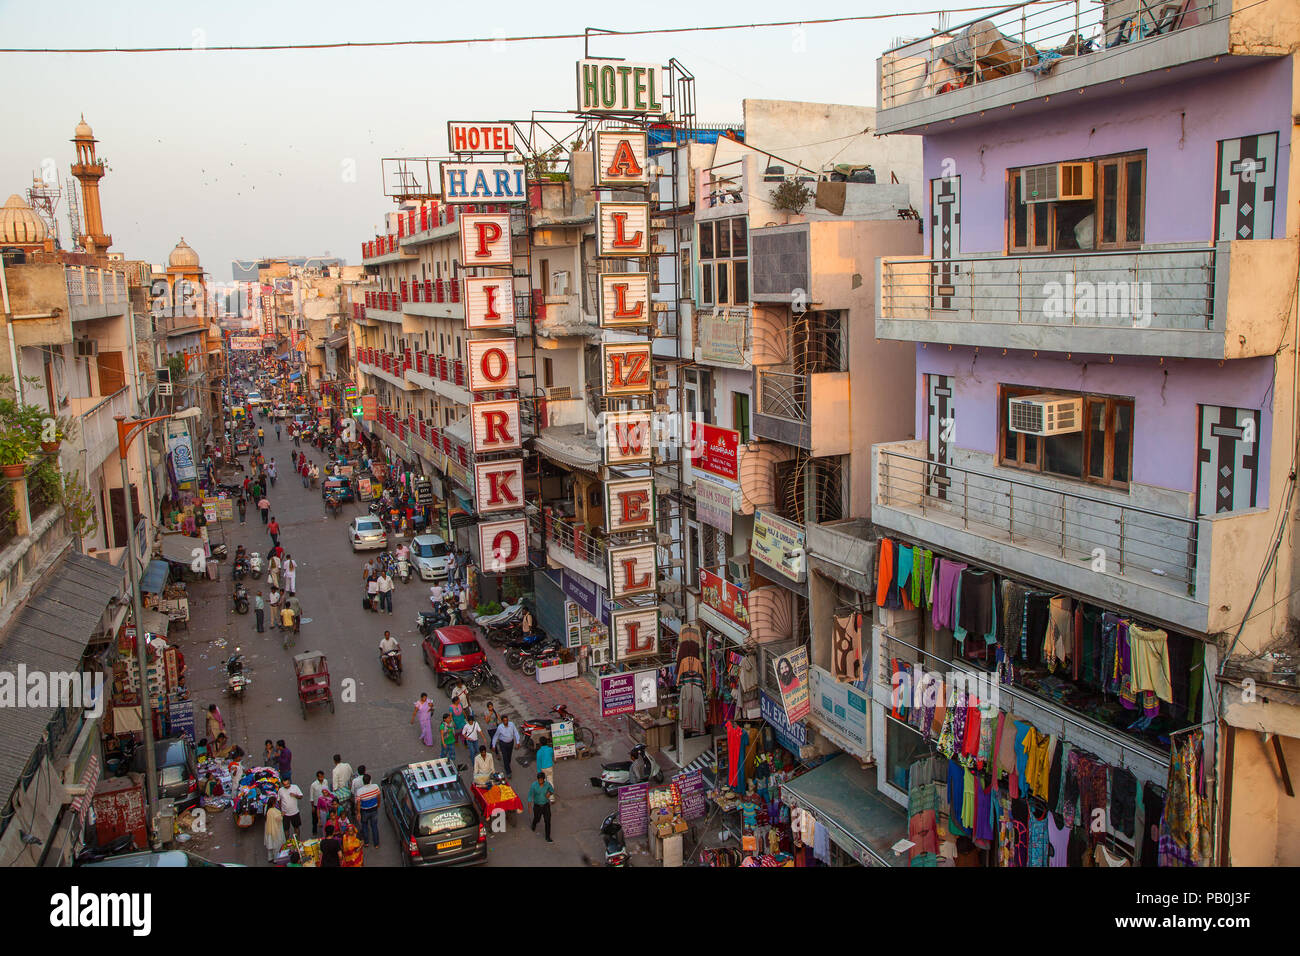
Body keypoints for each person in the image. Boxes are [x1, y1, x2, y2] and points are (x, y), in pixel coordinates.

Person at [354, 772, 382, 848]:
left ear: (363, 781)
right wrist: (378, 804)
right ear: (370, 780)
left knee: (365, 826)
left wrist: (358, 813)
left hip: (364, 811)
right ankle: (376, 844)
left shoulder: (359, 791)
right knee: (374, 826)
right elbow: (379, 796)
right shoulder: (375, 787)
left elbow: (358, 803)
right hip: (374, 809)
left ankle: (366, 842)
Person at [528, 772, 556, 843]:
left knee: (547, 821)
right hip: (537, 806)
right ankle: (534, 824)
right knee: (537, 819)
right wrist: (529, 807)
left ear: (544, 779)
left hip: (546, 805)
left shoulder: (547, 784)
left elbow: (552, 790)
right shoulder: (534, 786)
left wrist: (549, 793)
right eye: (539, 779)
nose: (540, 781)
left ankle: (547, 837)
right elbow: (530, 796)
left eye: (541, 779)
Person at [309, 770, 332, 836]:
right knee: (314, 818)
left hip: (325, 803)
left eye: (322, 776)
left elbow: (328, 791)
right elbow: (311, 796)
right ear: (317, 777)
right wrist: (312, 806)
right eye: (320, 777)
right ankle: (314, 830)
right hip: (316, 804)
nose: (322, 778)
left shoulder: (326, 781)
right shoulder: (313, 785)